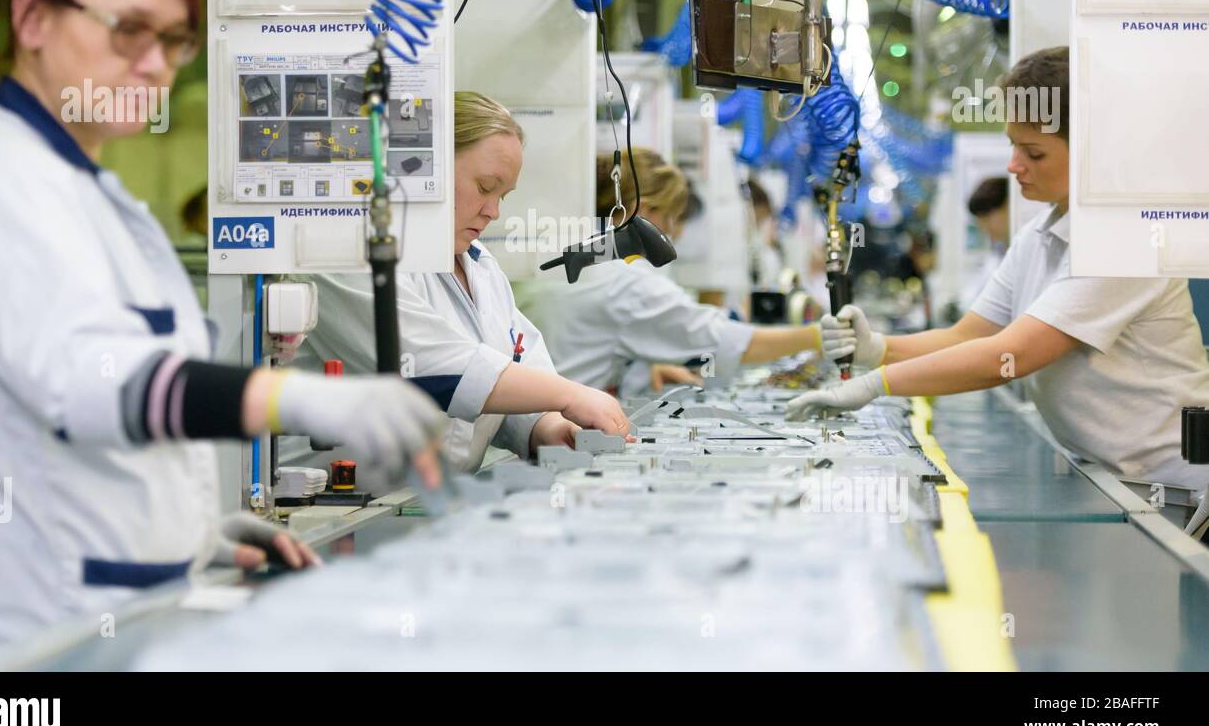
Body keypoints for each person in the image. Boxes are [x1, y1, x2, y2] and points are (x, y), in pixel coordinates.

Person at [0, 0, 444, 668]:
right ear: (31, 18)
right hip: (20, 650)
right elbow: (100, 382)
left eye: (175, 39)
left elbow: (62, 435)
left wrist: (191, 533)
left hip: (107, 617)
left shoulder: (91, 194)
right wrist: (298, 397)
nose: (157, 64)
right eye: (129, 30)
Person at [789, 47, 1209, 492]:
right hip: (1114, 477)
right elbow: (969, 337)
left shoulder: (1125, 239)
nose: (1014, 166)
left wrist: (877, 384)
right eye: (1012, 144)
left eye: (1034, 152)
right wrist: (878, 348)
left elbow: (1010, 357)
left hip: (1177, 489)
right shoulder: (1040, 233)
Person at [297, 91, 631, 474]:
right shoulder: (347, 251)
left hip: (432, 504)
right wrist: (570, 395)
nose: (493, 212)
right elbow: (431, 368)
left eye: (503, 196)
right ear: (422, 169)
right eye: (485, 188)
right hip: (340, 509)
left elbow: (515, 370)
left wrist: (548, 426)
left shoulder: (478, 264)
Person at [516, 148, 824, 398]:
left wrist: (644, 371)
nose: (675, 234)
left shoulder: (566, 249)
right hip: (553, 434)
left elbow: (584, 341)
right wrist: (820, 336)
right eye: (673, 218)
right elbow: (726, 341)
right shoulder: (625, 279)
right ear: (642, 210)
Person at [961, 176, 1010, 308]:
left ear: (1008, 206)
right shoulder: (997, 254)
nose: (982, 226)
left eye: (986, 216)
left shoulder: (1027, 251)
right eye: (979, 220)